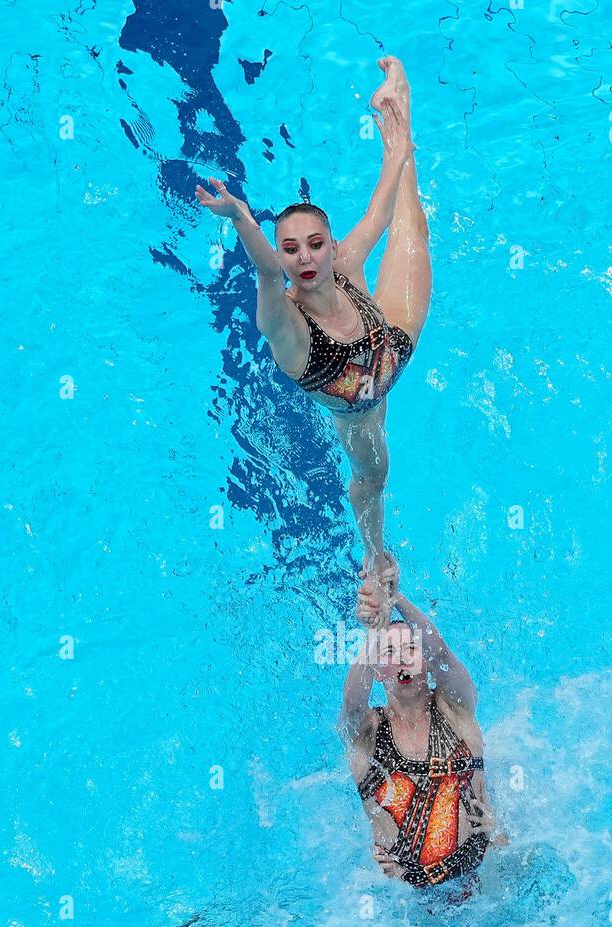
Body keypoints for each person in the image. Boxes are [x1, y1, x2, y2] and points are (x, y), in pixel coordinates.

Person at [195, 57, 432, 624]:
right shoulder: (286, 326)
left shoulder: (344, 261)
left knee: (408, 219)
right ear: (282, 255)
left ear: (328, 246)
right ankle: (375, 562)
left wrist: (394, 147)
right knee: (372, 478)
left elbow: (376, 209)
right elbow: (263, 272)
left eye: (314, 244)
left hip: (394, 338)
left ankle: (400, 109)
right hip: (361, 411)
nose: (304, 257)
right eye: (291, 248)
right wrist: (241, 219)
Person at [339, 556, 505, 889]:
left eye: (410, 648)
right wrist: (373, 632)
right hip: (407, 901)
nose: (400, 656)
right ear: (375, 667)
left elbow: (443, 656)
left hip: (483, 879)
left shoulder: (455, 711)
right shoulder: (368, 733)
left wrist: (396, 597)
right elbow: (352, 703)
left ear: (426, 662)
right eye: (389, 652)